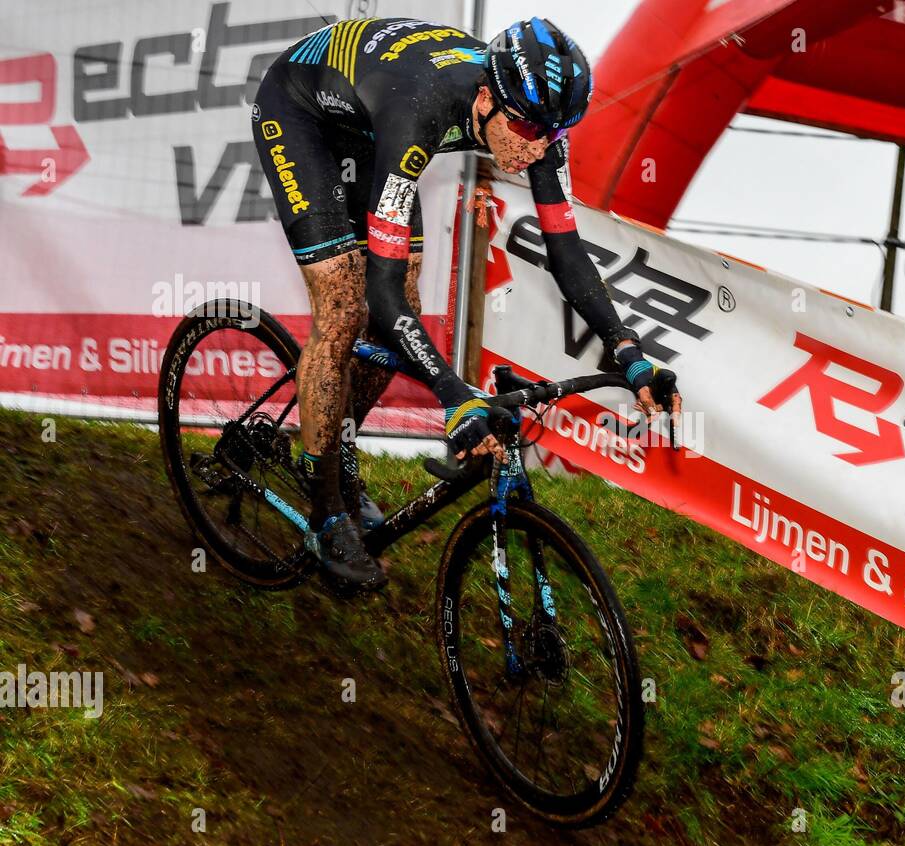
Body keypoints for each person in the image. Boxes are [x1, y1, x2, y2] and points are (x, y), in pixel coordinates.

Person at [252, 16, 682, 591]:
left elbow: (567, 253)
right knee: (346, 304)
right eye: (526, 128)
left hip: (367, 120)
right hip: (300, 107)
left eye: (553, 134)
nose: (536, 147)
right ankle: (326, 506)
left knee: (402, 304)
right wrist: (453, 394)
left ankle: (336, 450)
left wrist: (629, 353)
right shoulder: (422, 110)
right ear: (485, 98)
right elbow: (377, 294)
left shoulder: (542, 126)